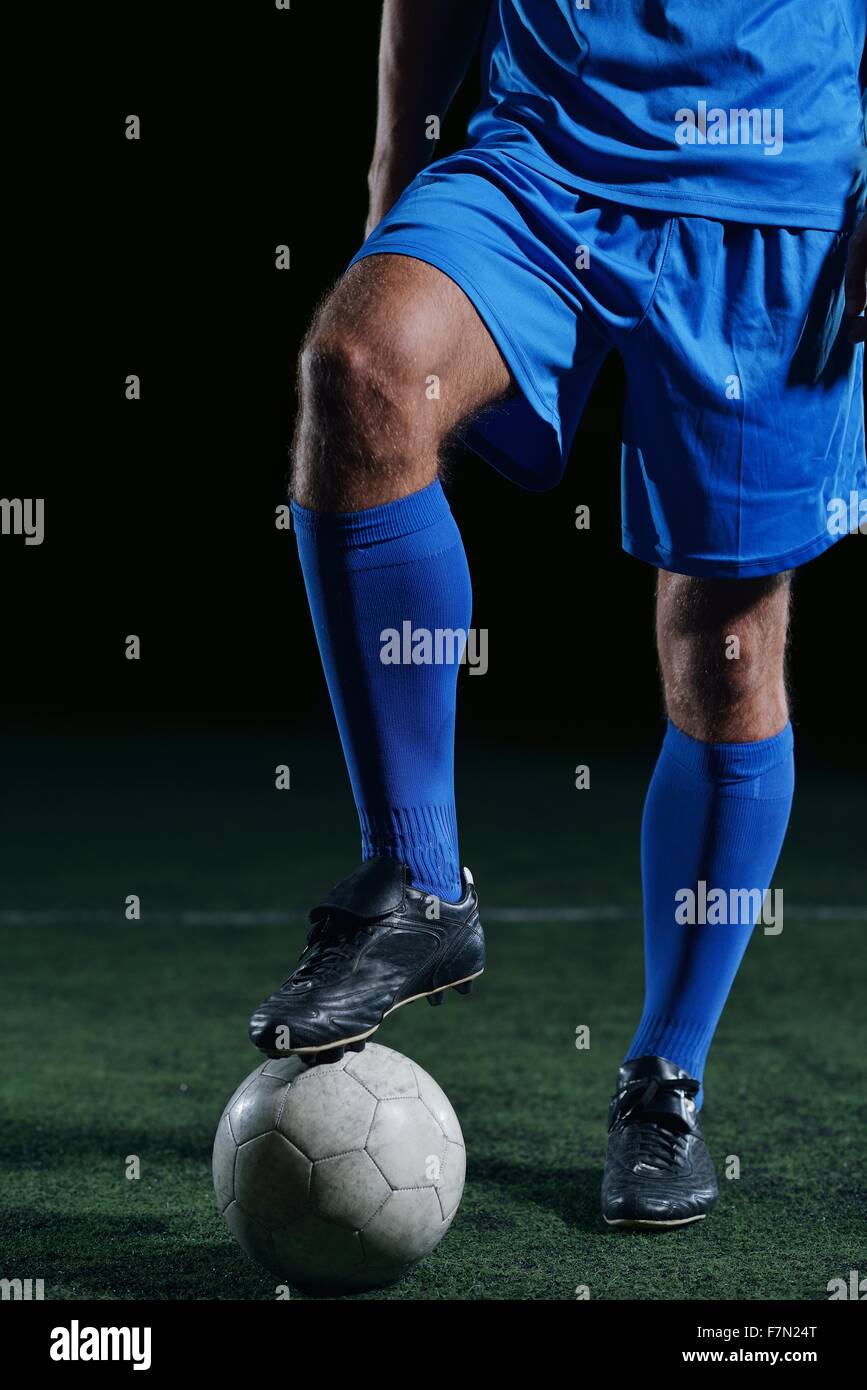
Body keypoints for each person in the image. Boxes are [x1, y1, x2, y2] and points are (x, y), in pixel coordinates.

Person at [250, 0, 866, 1229]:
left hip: (776, 187)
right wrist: (395, 169)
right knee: (364, 369)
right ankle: (421, 882)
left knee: (727, 655)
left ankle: (665, 1080)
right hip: (541, 159)